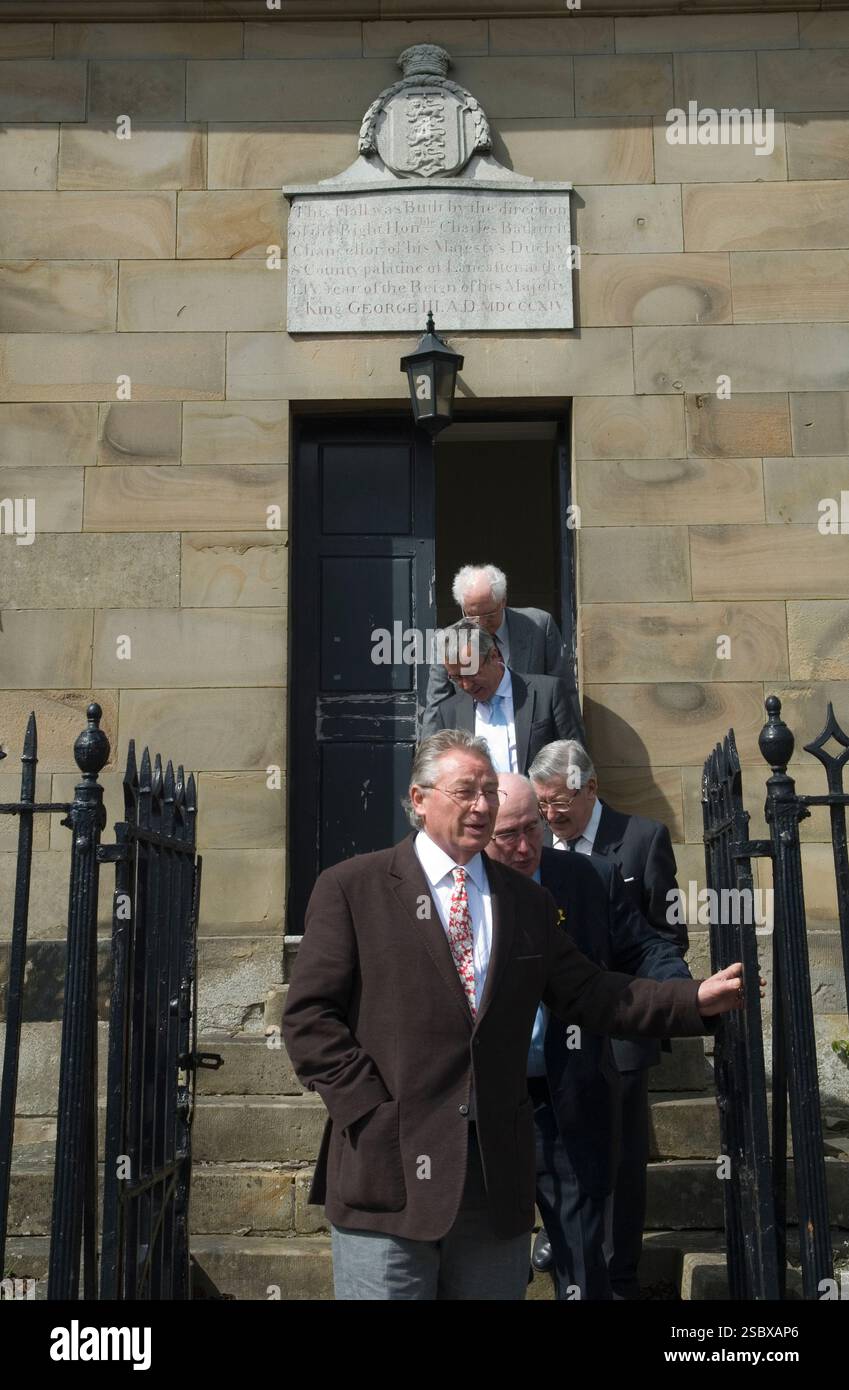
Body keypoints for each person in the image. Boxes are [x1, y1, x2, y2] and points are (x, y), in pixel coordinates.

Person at [282, 729, 745, 1301]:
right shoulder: (353, 888)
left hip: (493, 1180)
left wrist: (691, 1000)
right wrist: (370, 1112)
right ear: (419, 798)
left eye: (489, 793)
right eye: (465, 791)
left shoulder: (526, 901)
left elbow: (593, 993)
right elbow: (308, 1020)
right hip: (387, 1177)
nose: (481, 805)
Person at [486, 772, 691, 1300]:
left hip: (567, 1096)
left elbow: (646, 948)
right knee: (484, 1262)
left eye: (533, 827)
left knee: (583, 1261)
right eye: (509, 835)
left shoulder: (589, 877)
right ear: (481, 831)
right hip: (483, 1104)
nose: (526, 846)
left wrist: (684, 991)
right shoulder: (458, 892)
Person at [424, 563, 584, 740]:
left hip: (531, 739)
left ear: (503, 602)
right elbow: (436, 706)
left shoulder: (539, 626)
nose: (481, 624)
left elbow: (565, 690)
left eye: (489, 615)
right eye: (471, 616)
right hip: (475, 740)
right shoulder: (445, 641)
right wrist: (428, 761)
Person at [420, 621, 582, 775]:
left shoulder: (547, 693)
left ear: (494, 656)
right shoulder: (449, 712)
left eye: (472, 674)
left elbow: (575, 757)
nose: (466, 685)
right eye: (456, 678)